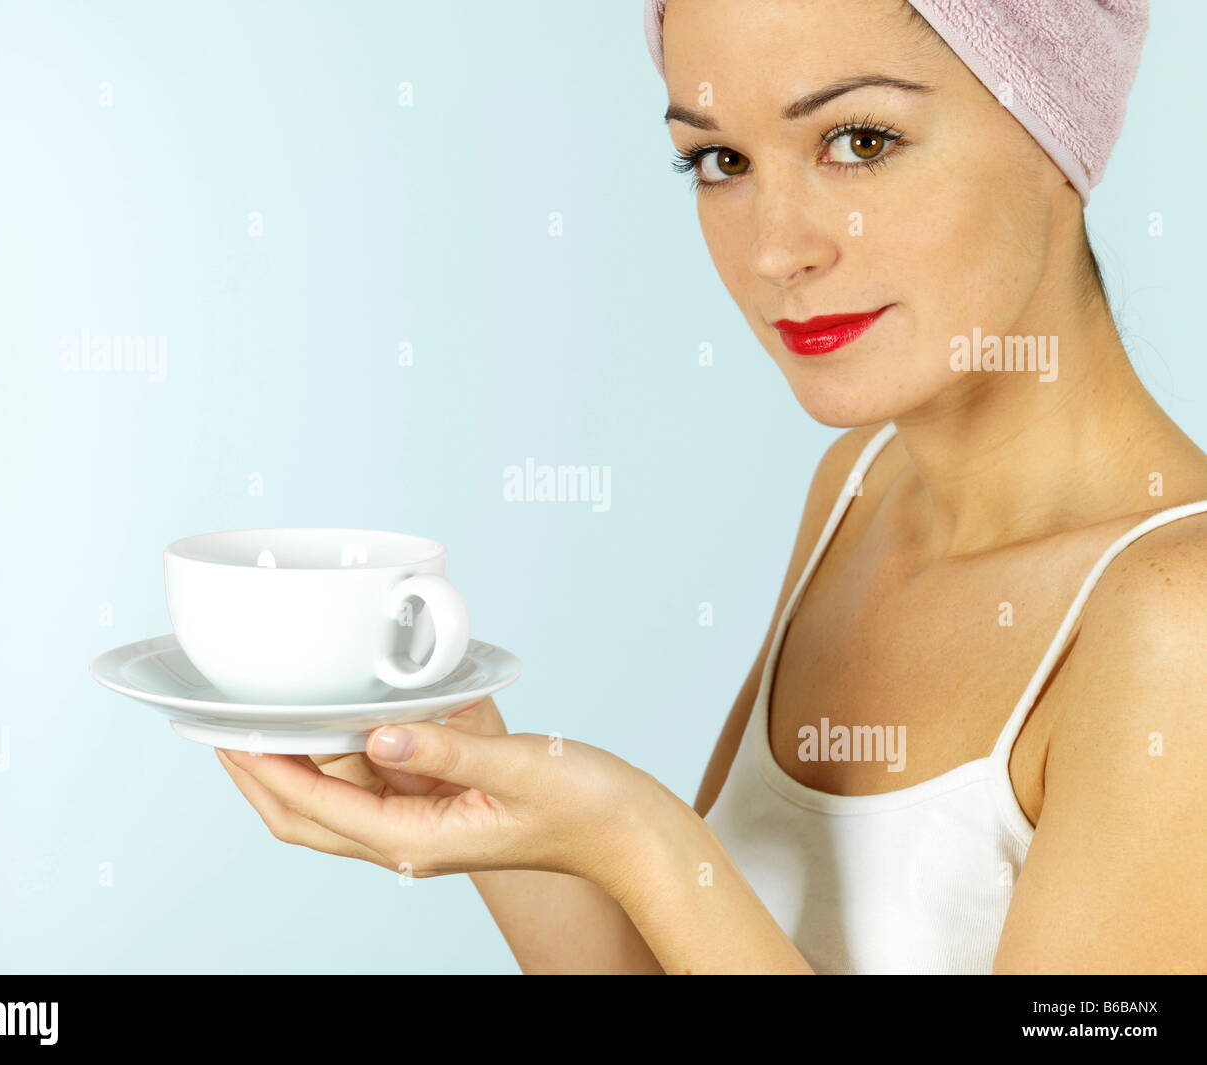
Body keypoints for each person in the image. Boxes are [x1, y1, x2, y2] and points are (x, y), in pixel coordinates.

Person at [217, 0, 1207, 974]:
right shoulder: (861, 491)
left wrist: (645, 842)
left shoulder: (1180, 623)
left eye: (858, 140)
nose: (778, 250)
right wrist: (467, 778)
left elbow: (671, 879)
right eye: (719, 161)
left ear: (1056, 125)